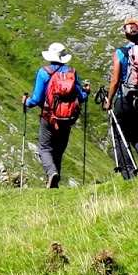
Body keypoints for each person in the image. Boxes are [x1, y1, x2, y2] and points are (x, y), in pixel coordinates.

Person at [21, 42, 88, 188]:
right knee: (59, 150)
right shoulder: (72, 72)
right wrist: (86, 92)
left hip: (49, 117)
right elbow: (81, 97)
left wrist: (26, 102)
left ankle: (51, 173)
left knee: (45, 148)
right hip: (67, 118)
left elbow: (36, 99)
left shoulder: (44, 72)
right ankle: (54, 183)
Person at [103, 18, 138, 177]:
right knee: (137, 133)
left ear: (125, 34)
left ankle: (129, 172)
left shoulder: (120, 52)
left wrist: (109, 101)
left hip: (124, 98)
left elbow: (115, 80)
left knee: (119, 135)